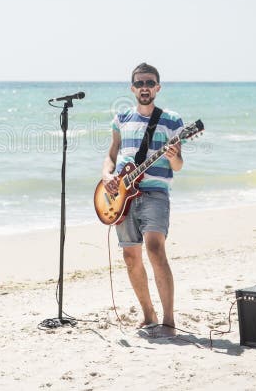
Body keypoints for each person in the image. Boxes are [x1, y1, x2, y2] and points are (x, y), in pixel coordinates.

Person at [102, 62, 184, 337]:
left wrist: (173, 156)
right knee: (129, 255)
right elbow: (112, 154)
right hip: (122, 195)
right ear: (132, 88)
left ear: (158, 88)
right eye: (140, 83)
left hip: (155, 193)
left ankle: (169, 320)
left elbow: (178, 166)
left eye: (150, 83)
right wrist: (106, 175)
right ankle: (149, 314)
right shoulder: (122, 118)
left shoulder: (172, 120)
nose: (145, 88)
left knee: (155, 248)